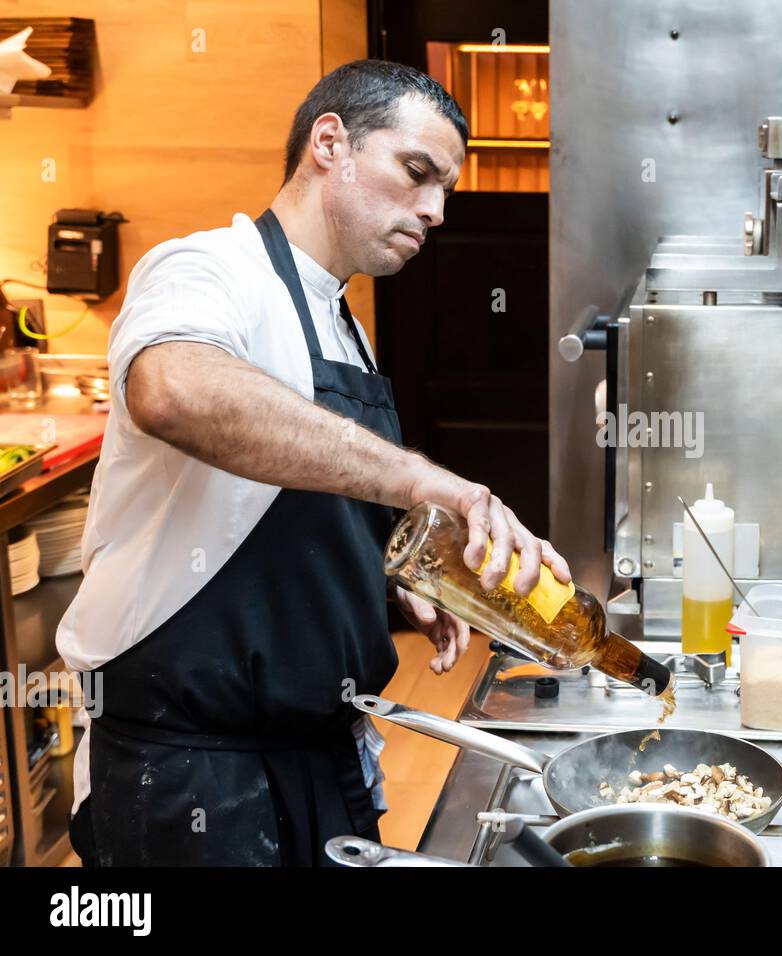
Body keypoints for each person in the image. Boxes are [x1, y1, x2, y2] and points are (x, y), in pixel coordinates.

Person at [57, 60, 569, 865]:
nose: (434, 209)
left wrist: (382, 586)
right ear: (329, 141)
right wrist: (424, 480)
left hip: (318, 755)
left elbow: (281, 512)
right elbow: (174, 390)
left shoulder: (343, 322)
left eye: (445, 190)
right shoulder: (205, 268)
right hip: (190, 775)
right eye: (416, 172)